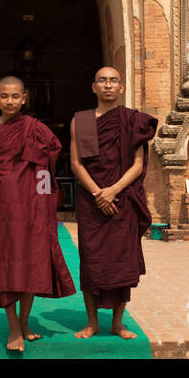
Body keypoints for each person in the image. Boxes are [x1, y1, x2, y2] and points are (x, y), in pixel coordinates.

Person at [0, 74, 76, 351]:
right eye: (4, 96)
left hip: (32, 203)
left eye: (15, 96)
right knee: (6, 260)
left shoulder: (35, 127)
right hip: (3, 205)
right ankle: (12, 328)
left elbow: (50, 155)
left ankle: (24, 322)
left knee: (32, 260)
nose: (10, 101)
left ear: (24, 98)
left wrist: (45, 201)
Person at [69, 66, 157, 340]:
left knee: (122, 260)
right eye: (102, 81)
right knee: (91, 259)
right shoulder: (80, 121)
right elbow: (76, 163)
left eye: (113, 81)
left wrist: (114, 190)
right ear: (93, 87)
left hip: (123, 199)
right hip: (91, 201)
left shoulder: (134, 121)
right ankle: (92, 322)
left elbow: (137, 164)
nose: (108, 85)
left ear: (121, 88)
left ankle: (117, 323)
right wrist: (98, 193)